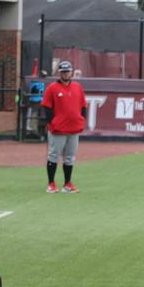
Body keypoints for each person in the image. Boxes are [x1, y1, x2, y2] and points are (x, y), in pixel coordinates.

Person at [41, 60, 86, 194]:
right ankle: (51, 183)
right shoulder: (52, 88)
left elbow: (83, 105)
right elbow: (46, 107)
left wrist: (81, 119)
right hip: (58, 129)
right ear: (60, 73)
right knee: (54, 155)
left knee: (70, 156)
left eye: (67, 71)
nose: (66, 74)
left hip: (74, 128)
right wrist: (53, 122)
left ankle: (67, 184)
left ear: (71, 72)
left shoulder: (77, 87)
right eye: (63, 72)